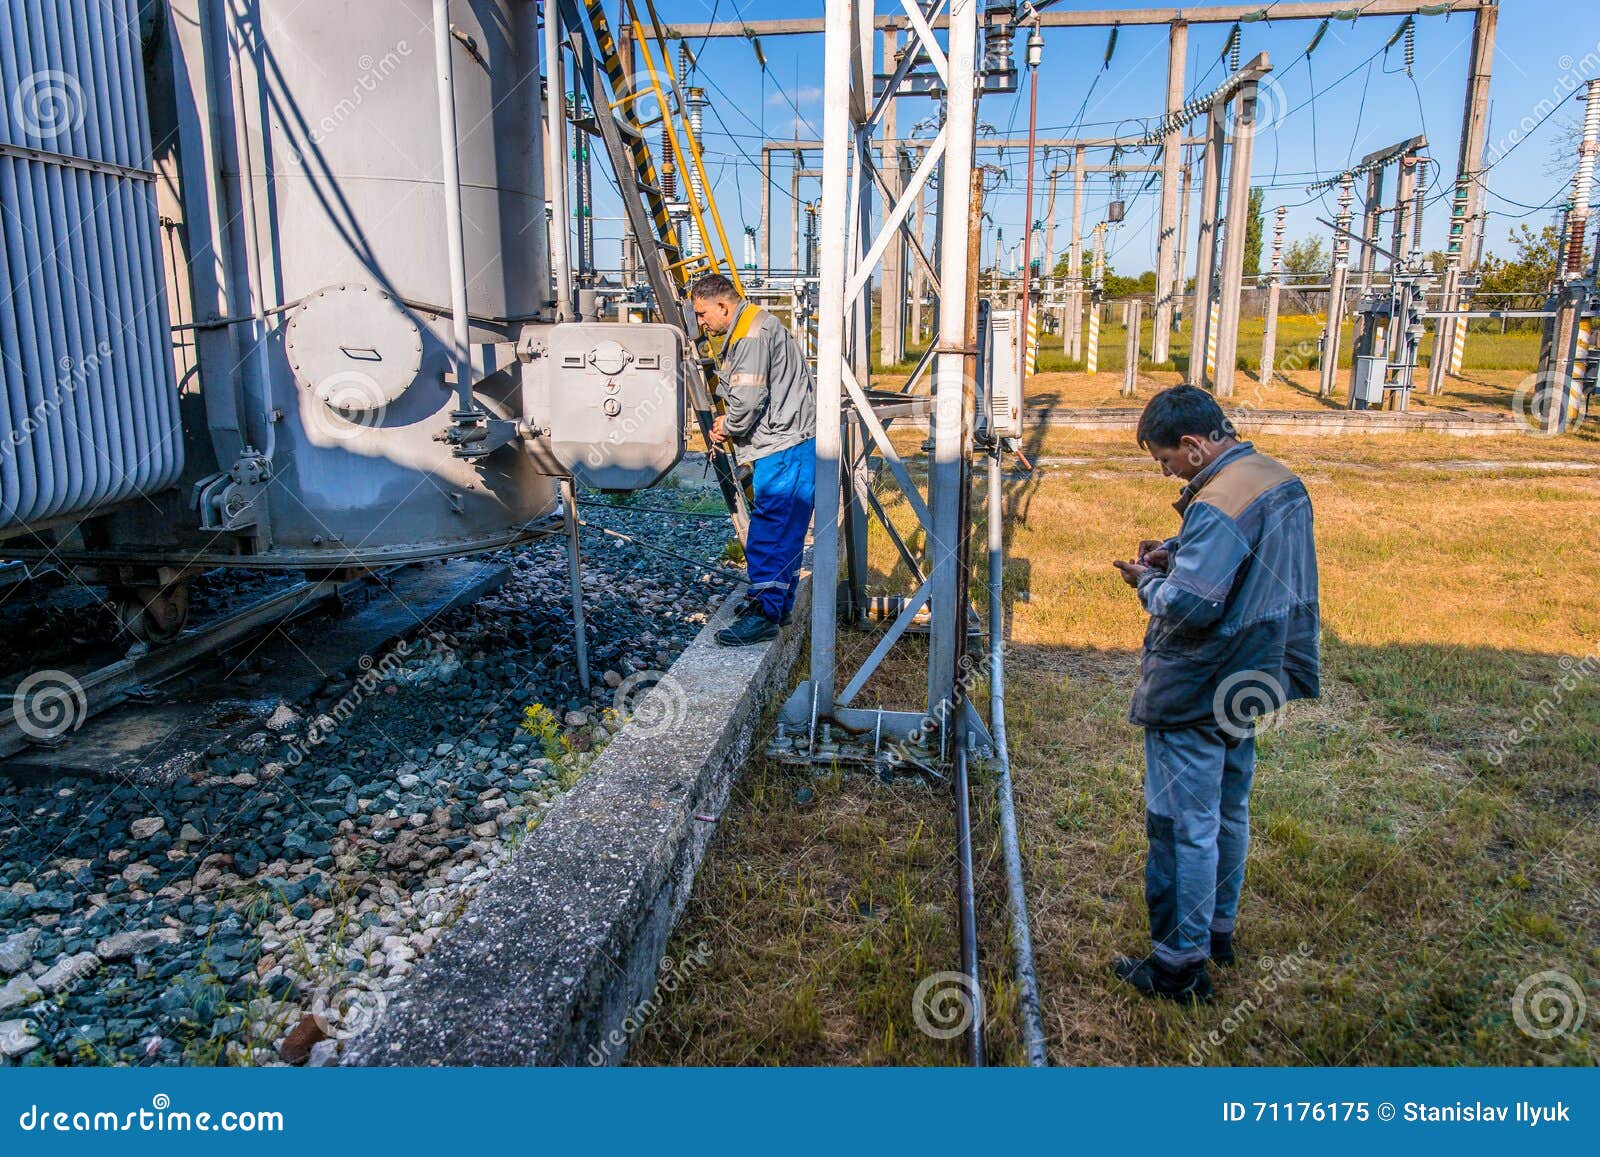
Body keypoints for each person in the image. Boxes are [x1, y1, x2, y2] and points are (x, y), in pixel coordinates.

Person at [1110, 386, 1320, 1004]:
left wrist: (1150, 580)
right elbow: (1247, 563)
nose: (1166, 472)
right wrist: (1179, 551)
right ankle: (1217, 932)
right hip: (1252, 678)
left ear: (1195, 446)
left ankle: (1179, 966)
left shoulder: (1219, 501)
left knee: (1181, 826)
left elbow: (1193, 604)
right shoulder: (1275, 478)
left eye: (1166, 461)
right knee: (1229, 811)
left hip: (1199, 684)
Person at [690, 273, 817, 647]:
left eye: (702, 313)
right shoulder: (757, 322)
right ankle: (777, 605)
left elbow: (746, 402)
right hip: (793, 443)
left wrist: (725, 426)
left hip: (782, 447)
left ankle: (763, 614)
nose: (701, 322)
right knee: (787, 533)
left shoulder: (748, 337)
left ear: (723, 306)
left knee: (768, 531)